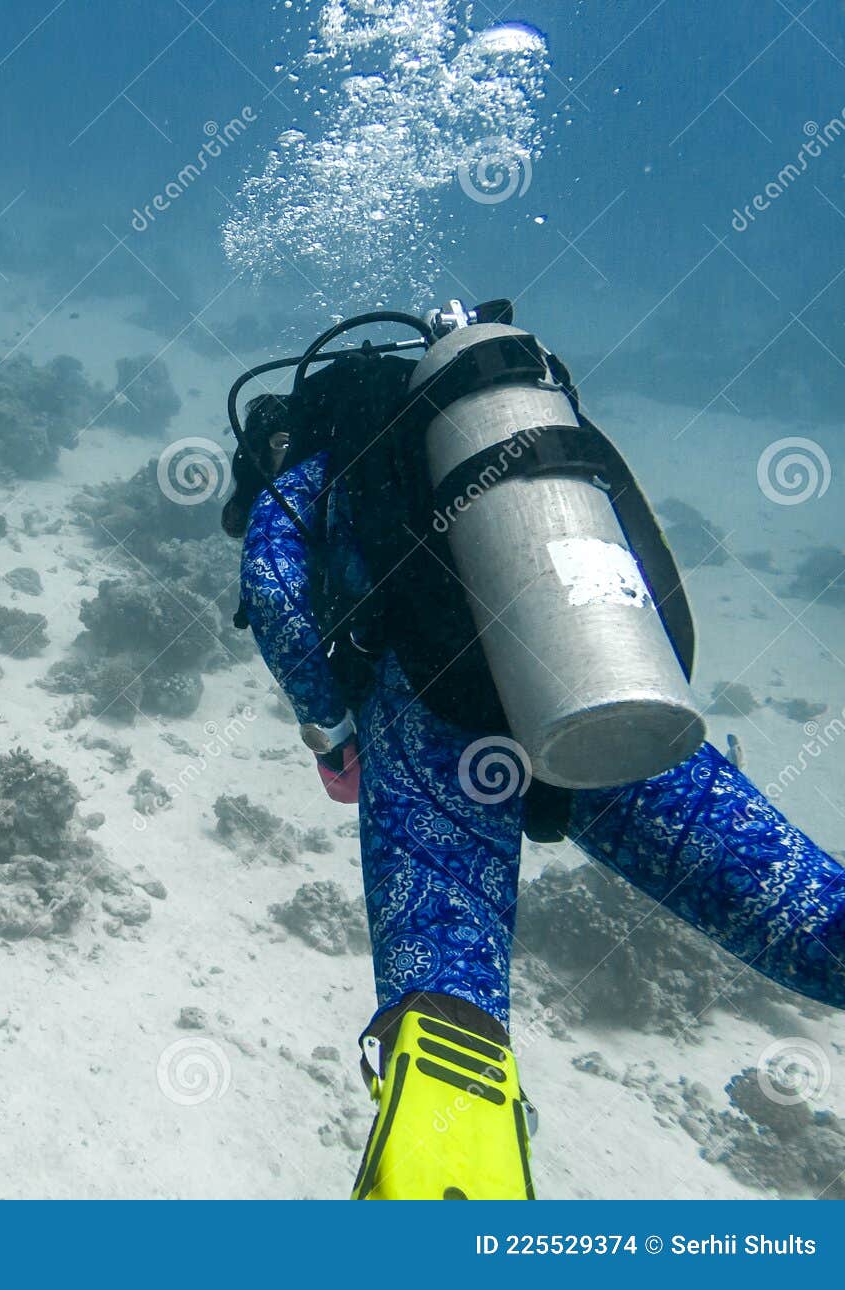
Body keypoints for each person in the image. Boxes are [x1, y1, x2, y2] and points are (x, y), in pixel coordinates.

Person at [225, 310, 845, 1201]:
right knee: (810, 915)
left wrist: (333, 738)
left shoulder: (320, 462)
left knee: (449, 1014)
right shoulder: (505, 438)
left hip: (438, 724)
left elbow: (276, 587)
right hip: (598, 679)